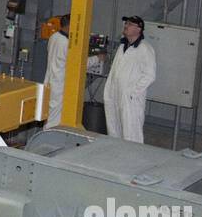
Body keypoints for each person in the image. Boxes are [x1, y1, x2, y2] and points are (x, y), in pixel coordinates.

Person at [103, 14, 156, 143]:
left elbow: (150, 75)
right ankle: (116, 160)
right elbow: (114, 71)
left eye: (130, 24)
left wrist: (132, 93)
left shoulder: (145, 49)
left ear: (139, 29)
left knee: (131, 135)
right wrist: (109, 91)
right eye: (126, 23)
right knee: (114, 132)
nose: (126, 26)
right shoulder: (122, 46)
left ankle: (133, 161)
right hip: (115, 95)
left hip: (130, 100)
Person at [43, 14, 101, 129]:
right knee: (54, 119)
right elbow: (77, 64)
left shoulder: (53, 37)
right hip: (60, 85)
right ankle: (47, 141)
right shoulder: (66, 43)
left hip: (51, 81)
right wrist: (97, 58)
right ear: (70, 26)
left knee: (50, 115)